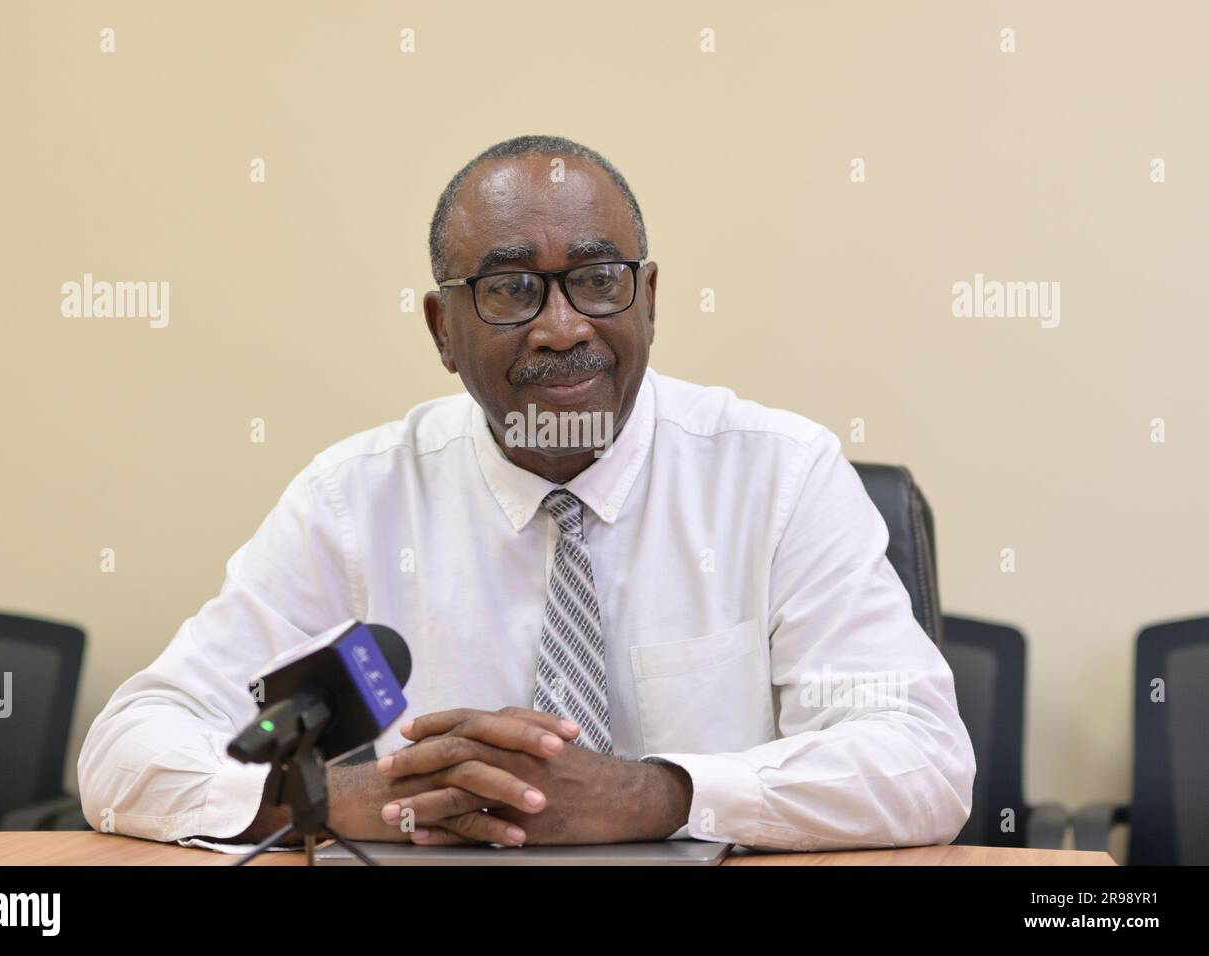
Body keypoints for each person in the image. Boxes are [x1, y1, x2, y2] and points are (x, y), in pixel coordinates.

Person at [78, 135, 975, 851]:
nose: (561, 326)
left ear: (648, 300)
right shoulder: (355, 501)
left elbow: (922, 761)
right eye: (509, 289)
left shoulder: (780, 478)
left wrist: (660, 794)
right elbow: (129, 749)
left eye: (596, 280)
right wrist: (335, 799)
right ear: (442, 327)